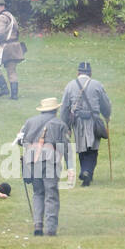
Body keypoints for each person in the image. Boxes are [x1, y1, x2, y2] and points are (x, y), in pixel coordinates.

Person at [18, 96, 74, 236]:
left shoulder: (29, 121)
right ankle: (51, 228)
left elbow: (20, 141)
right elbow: (65, 147)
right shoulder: (60, 124)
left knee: (38, 193)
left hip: (32, 161)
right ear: (55, 110)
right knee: (51, 194)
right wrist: (70, 167)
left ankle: (38, 225)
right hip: (50, 160)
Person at [59, 61, 112, 185]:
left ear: (78, 73)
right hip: (94, 121)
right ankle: (87, 172)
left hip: (77, 122)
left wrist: (66, 125)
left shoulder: (70, 85)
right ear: (90, 73)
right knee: (93, 149)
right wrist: (107, 115)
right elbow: (105, 104)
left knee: (82, 148)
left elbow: (64, 108)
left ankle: (86, 172)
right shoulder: (97, 85)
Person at [0, 0, 24, 99]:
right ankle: (14, 95)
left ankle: (4, 89)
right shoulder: (11, 16)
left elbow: (0, 32)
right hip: (15, 46)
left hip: (5, 47)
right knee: (11, 71)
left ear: (1, 6)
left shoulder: (1, 18)